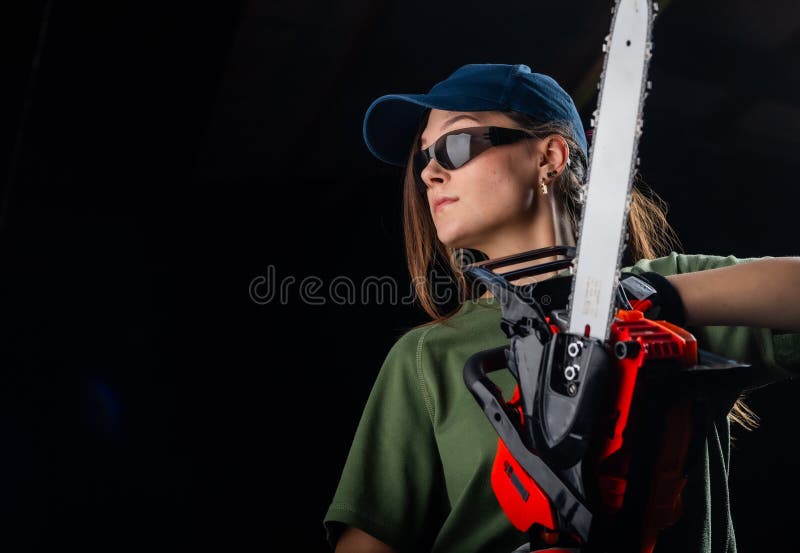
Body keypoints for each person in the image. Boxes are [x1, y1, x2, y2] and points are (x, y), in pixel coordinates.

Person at [322, 63, 800, 553]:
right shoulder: (428, 355)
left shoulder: (673, 290)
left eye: (455, 144)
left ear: (549, 156)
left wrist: (651, 300)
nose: (429, 172)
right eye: (423, 157)